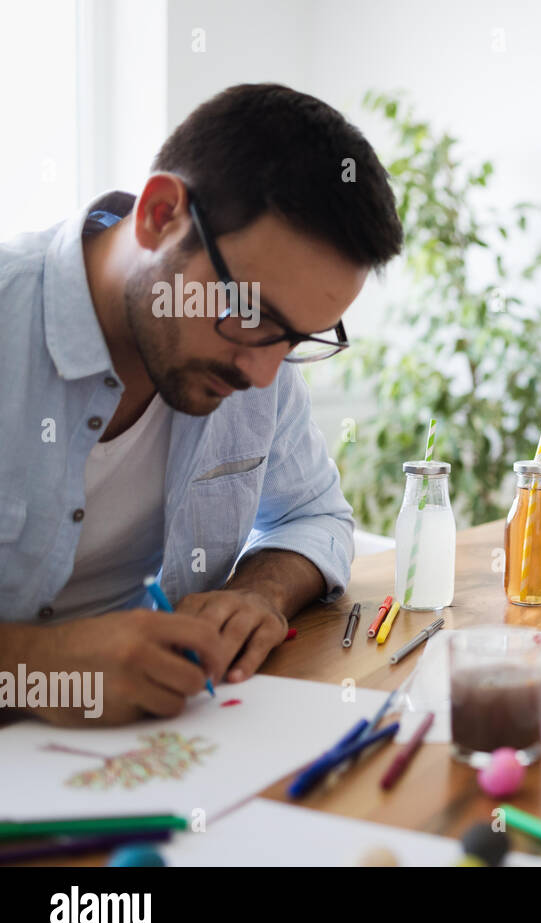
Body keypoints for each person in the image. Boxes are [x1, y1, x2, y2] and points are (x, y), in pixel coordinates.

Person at [0, 83, 403, 725]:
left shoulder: (255, 355)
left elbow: (314, 515)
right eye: (252, 314)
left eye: (296, 339)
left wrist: (261, 590)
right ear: (161, 215)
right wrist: (42, 670)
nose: (264, 375)